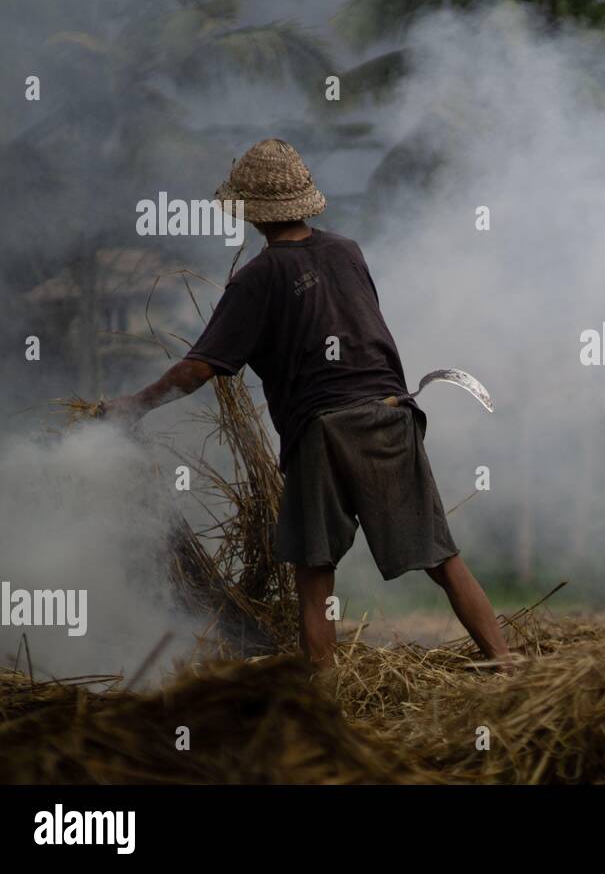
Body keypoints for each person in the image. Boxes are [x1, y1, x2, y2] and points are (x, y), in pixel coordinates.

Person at [103, 139, 511, 671]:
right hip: (391, 413)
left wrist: (134, 405)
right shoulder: (347, 251)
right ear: (302, 201)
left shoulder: (256, 279)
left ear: (249, 213)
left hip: (324, 428)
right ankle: (506, 662)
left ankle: (326, 699)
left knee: (314, 577)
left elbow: (199, 367)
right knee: (442, 558)